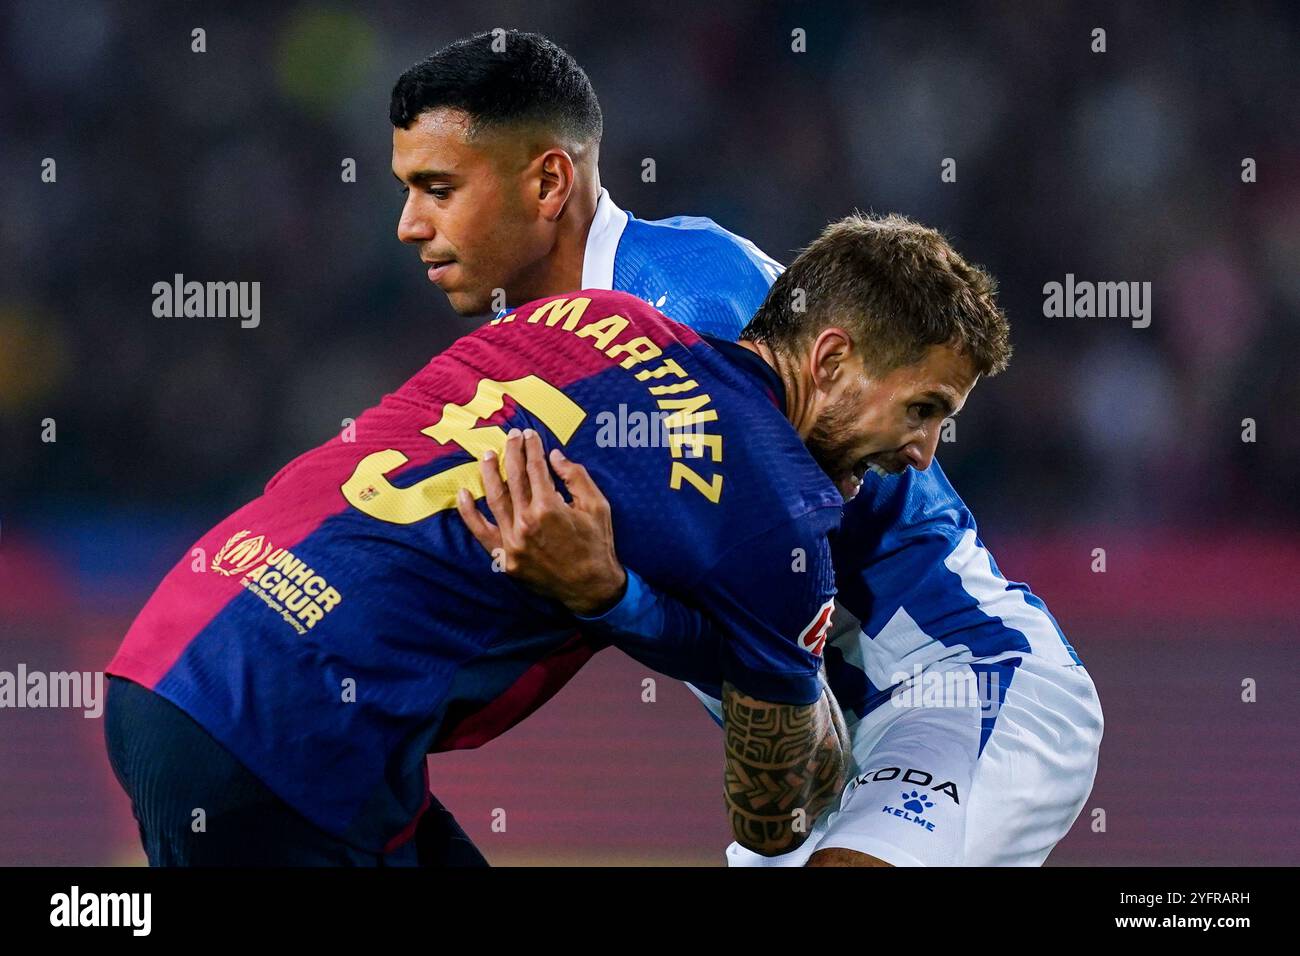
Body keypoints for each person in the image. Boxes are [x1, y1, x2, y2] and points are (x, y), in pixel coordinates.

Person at [389, 30, 1102, 866]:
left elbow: (762, 586)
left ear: (549, 182)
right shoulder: (534, 352)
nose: (409, 225)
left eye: (439, 189)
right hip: (812, 721)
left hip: (955, 672)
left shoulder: (697, 308)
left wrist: (613, 598)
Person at [107, 242, 990, 863]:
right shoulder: (780, 520)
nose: (923, 455)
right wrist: (624, 605)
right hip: (289, 732)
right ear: (830, 359)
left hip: (184, 636)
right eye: (922, 409)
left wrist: (617, 595)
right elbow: (776, 817)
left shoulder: (594, 313)